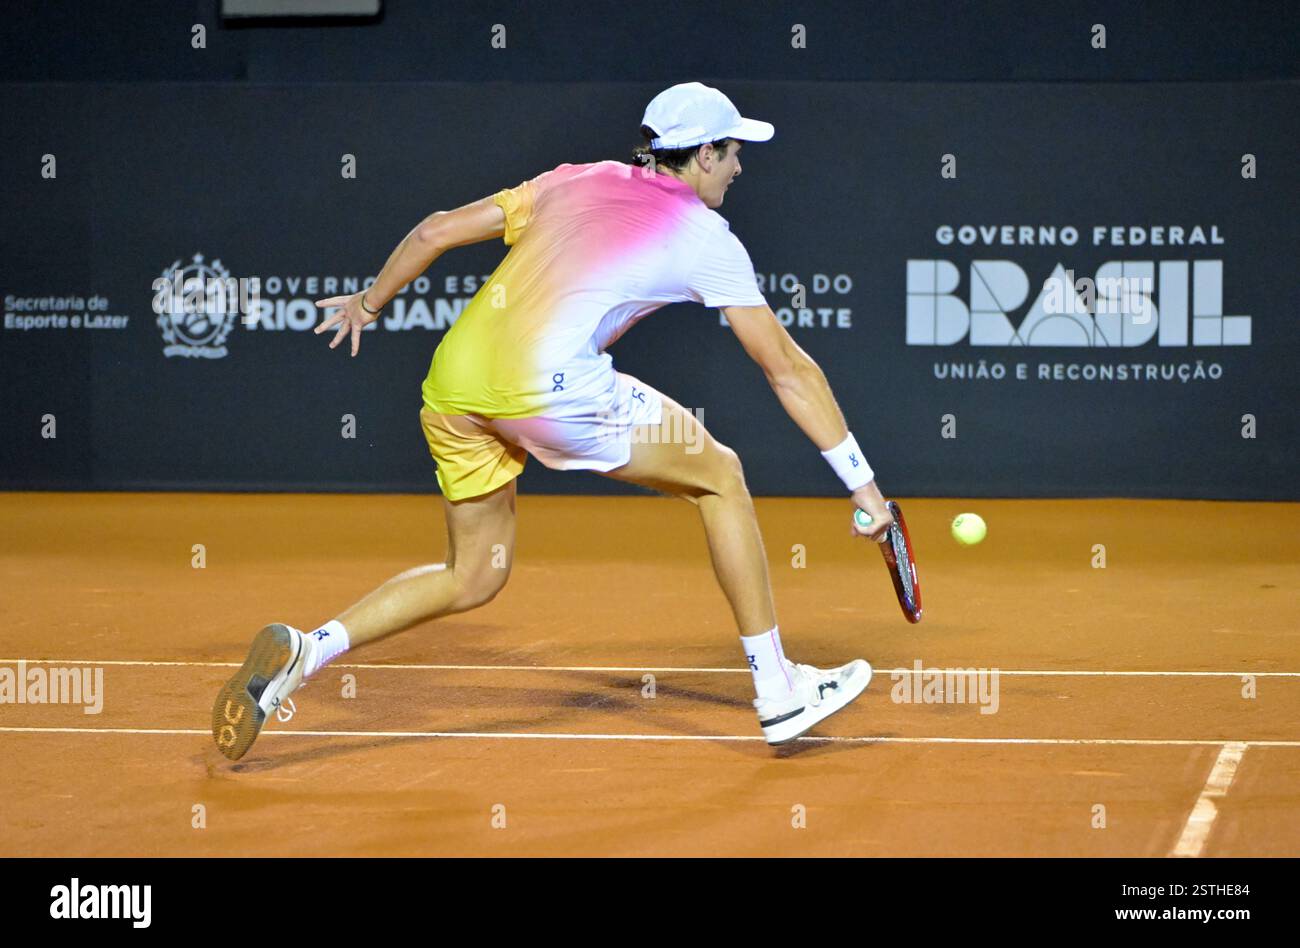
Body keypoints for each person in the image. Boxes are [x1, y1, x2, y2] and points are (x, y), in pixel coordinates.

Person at [211, 81, 895, 762]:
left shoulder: (578, 178)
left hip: (453, 386)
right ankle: (779, 692)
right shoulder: (705, 237)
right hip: (551, 390)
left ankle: (309, 650)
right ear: (705, 156)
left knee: (474, 574)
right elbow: (788, 368)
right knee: (720, 477)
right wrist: (861, 484)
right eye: (735, 152)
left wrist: (370, 301)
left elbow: (435, 230)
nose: (742, 167)